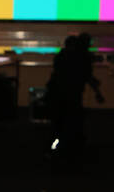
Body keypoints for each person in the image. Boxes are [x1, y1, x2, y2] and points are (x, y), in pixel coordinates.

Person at [43, 32, 104, 167]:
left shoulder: (62, 56)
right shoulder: (83, 58)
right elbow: (86, 76)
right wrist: (98, 93)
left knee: (57, 124)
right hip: (72, 96)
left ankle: (52, 151)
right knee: (74, 123)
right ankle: (72, 152)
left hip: (56, 95)